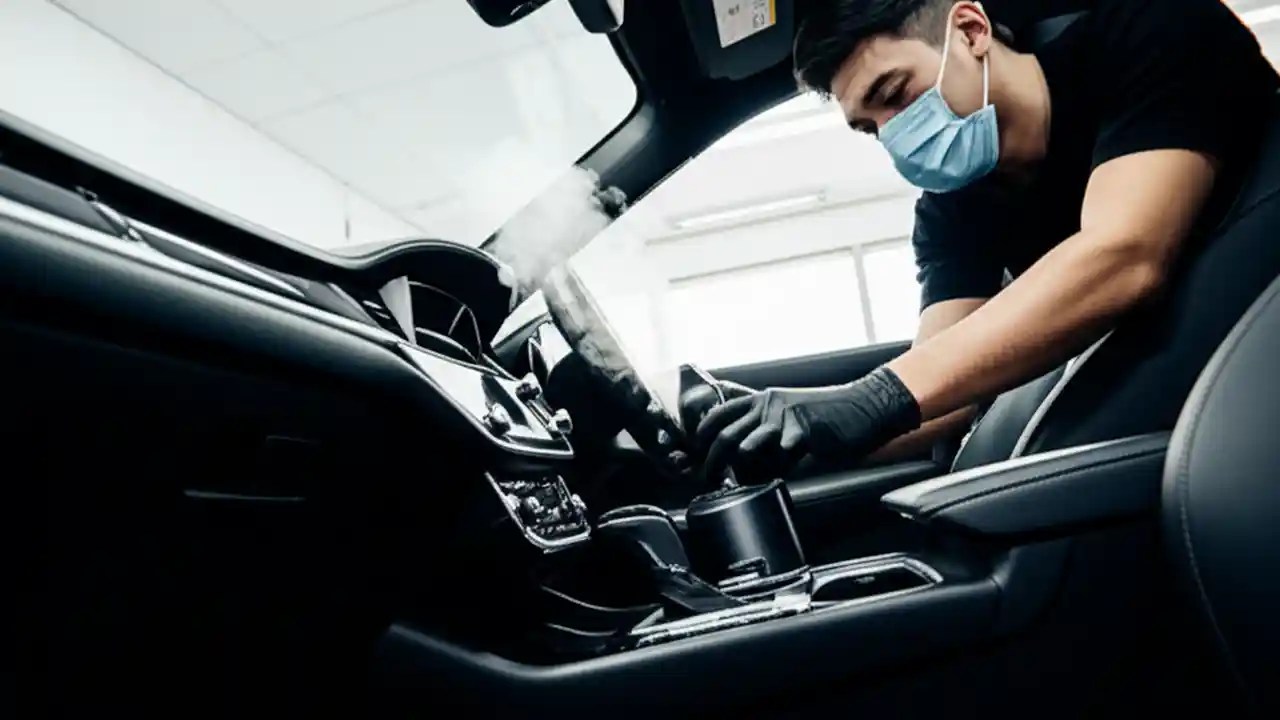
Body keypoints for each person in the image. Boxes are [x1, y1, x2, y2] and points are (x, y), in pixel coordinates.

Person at [696, 0, 1280, 483]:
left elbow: (1124, 256)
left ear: (971, 31)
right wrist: (782, 437)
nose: (895, 135)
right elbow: (942, 390)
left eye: (896, 94)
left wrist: (869, 398)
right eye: (870, 128)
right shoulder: (953, 208)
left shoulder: (1147, 32)